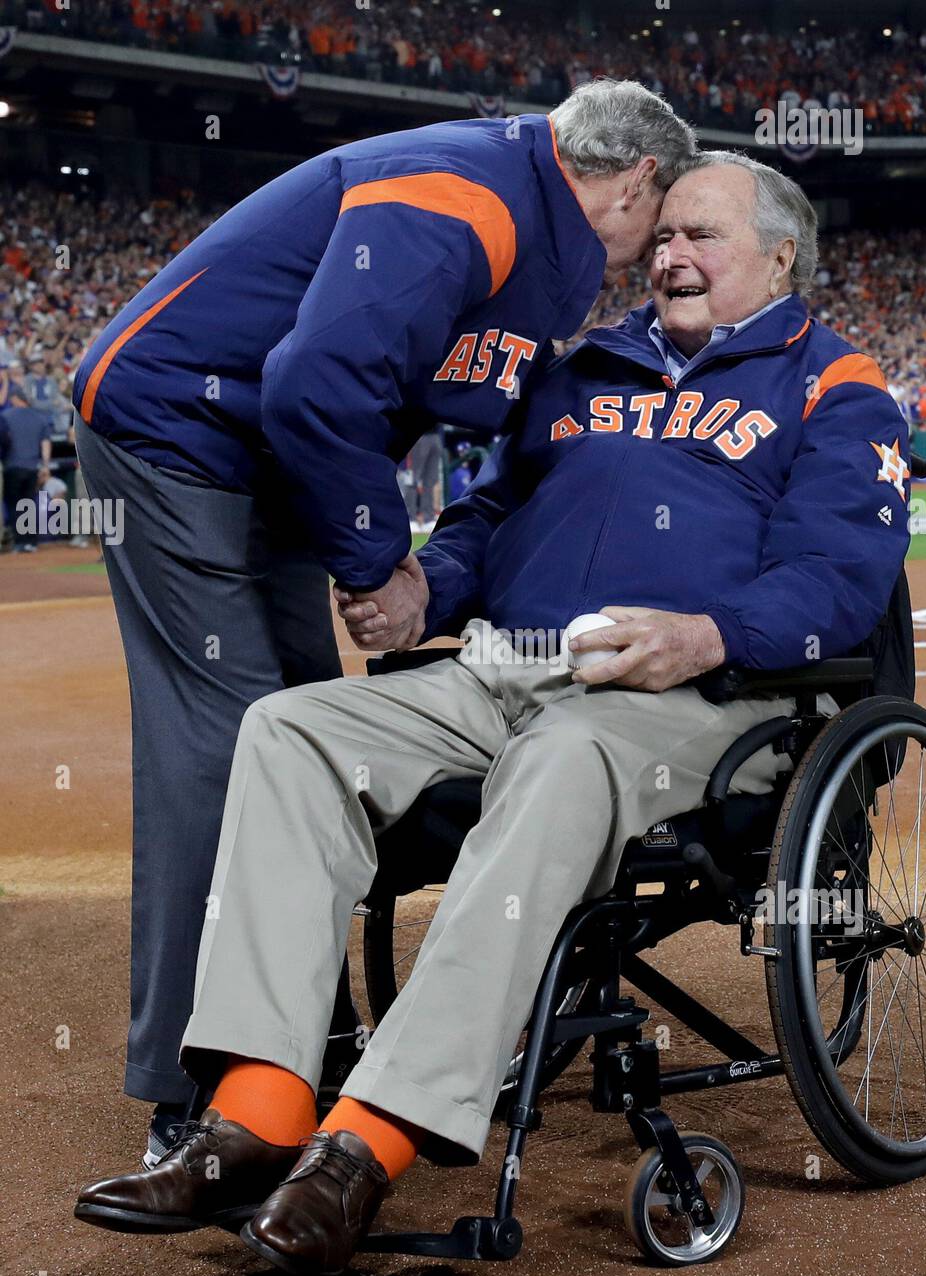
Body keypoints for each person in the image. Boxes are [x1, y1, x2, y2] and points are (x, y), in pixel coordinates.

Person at [76, 154, 912, 1276]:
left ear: (779, 256)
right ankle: (257, 1110)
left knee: (565, 756)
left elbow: (843, 576)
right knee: (290, 731)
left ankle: (365, 1146)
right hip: (505, 673)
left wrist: (704, 635)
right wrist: (426, 584)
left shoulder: (833, 384)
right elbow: (489, 513)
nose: (667, 254)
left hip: (702, 698)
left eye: (700, 236)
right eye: (660, 234)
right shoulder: (582, 367)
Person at [70, 80, 697, 1166]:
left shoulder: (551, 236)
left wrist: (410, 574)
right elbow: (316, 385)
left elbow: (438, 411)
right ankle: (205, 1076)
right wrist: (378, 567)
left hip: (276, 462)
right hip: (171, 429)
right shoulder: (469, 194)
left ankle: (296, 1030)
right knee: (226, 742)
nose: (663, 248)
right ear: (635, 177)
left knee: (315, 722)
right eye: (668, 212)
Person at [0, 400, 51, 553]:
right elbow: (45, 443)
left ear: (15, 399)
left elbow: (4, 440)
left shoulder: (5, 415)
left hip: (12, 467)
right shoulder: (39, 417)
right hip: (32, 468)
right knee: (29, 504)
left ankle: (19, 542)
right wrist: (45, 465)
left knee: (15, 506)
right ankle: (31, 542)